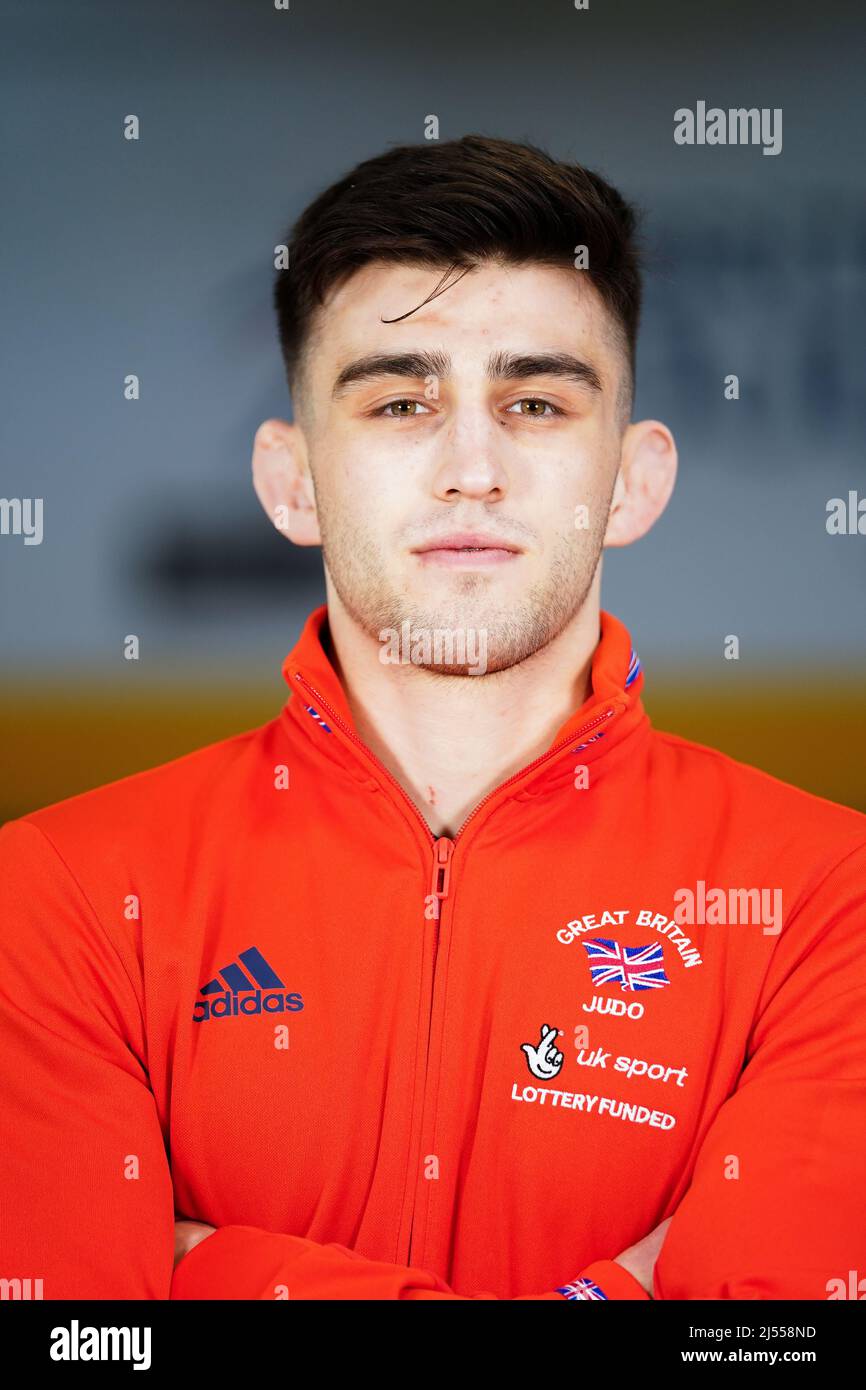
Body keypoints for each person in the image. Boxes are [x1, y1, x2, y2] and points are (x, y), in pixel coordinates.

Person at [1, 135, 864, 1302]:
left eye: (537, 400)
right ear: (291, 480)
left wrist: (209, 1270)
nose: (471, 465)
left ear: (633, 480)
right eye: (402, 400)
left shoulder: (829, 901)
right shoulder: (54, 895)